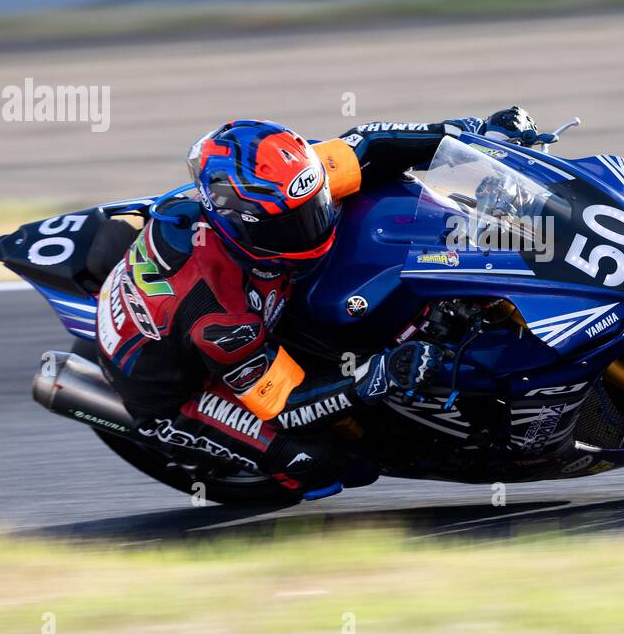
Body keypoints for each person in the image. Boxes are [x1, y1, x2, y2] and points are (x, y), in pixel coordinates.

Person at [95, 107, 540, 498]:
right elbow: (285, 403)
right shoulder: (219, 312)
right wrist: (375, 374)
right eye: (289, 225)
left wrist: (478, 134)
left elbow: (371, 143)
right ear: (241, 228)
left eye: (314, 207)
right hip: (179, 386)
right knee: (329, 464)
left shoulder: (292, 179)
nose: (311, 227)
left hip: (253, 301)